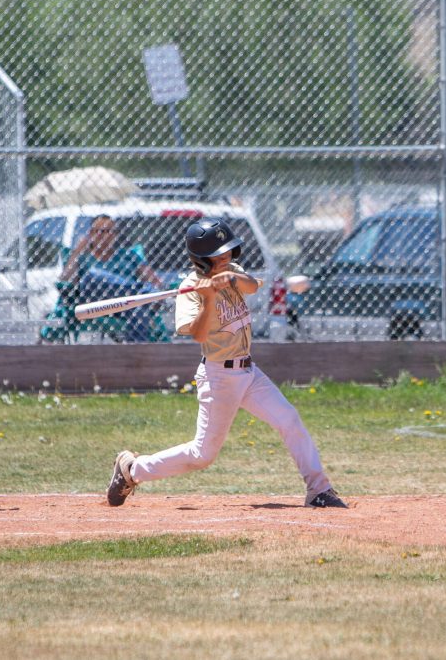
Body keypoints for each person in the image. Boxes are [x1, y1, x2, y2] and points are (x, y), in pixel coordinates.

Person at [106, 218, 347, 509]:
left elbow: (252, 286)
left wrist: (230, 279)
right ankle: (132, 470)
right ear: (201, 258)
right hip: (219, 376)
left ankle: (319, 490)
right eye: (218, 255)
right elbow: (197, 335)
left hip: (248, 371)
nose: (225, 258)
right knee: (202, 455)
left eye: (228, 252)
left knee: (289, 420)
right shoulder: (191, 288)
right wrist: (208, 299)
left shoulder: (231, 270)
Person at [42, 215, 168, 343]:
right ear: (91, 234)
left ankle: (137, 352)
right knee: (93, 275)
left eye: (109, 231)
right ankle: (143, 293)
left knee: (139, 308)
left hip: (123, 305)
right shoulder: (83, 258)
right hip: (94, 301)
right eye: (100, 231)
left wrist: (158, 286)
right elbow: (66, 279)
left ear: (115, 235)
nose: (105, 235)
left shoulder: (129, 255)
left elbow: (154, 281)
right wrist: (77, 251)